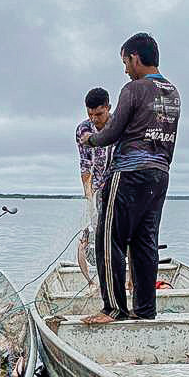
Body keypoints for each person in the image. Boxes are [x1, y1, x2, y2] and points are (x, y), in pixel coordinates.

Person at [78, 32, 180, 322]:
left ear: (135, 57)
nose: (125, 69)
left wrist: (90, 140)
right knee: (145, 242)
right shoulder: (173, 92)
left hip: (129, 174)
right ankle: (146, 310)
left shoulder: (133, 89)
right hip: (159, 176)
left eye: (125, 61)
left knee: (109, 239)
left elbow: (112, 132)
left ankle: (113, 309)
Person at [74, 87, 113, 283]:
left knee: (120, 236)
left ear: (108, 107)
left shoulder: (118, 125)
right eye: (90, 114)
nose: (95, 119)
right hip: (97, 188)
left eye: (99, 114)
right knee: (95, 233)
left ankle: (127, 280)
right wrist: (88, 196)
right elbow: (85, 163)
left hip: (118, 185)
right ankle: (98, 280)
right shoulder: (83, 129)